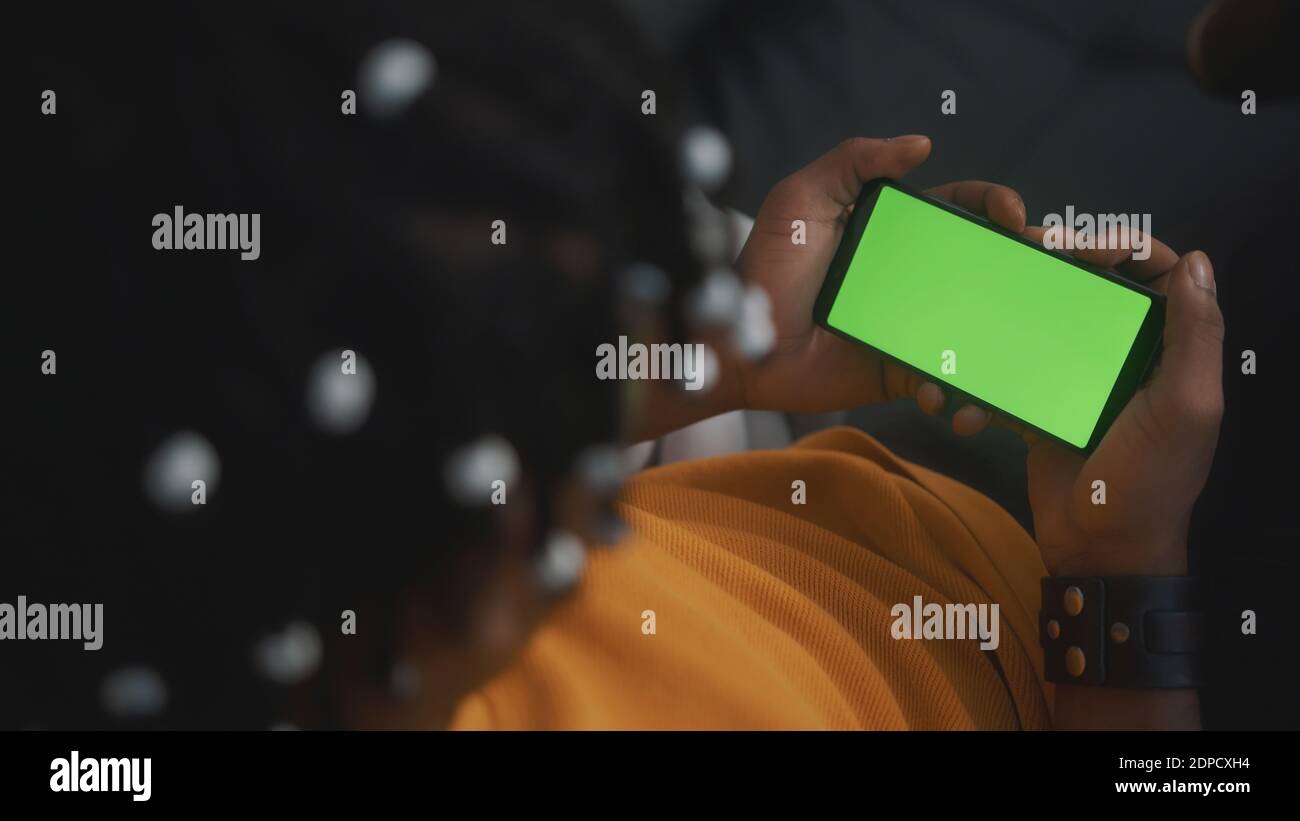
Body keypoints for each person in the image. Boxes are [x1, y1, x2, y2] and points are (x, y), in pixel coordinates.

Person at [5, 0, 1221, 730]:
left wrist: (723, 355)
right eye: (571, 463)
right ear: (472, 588)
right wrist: (1119, 568)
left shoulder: (311, 560)